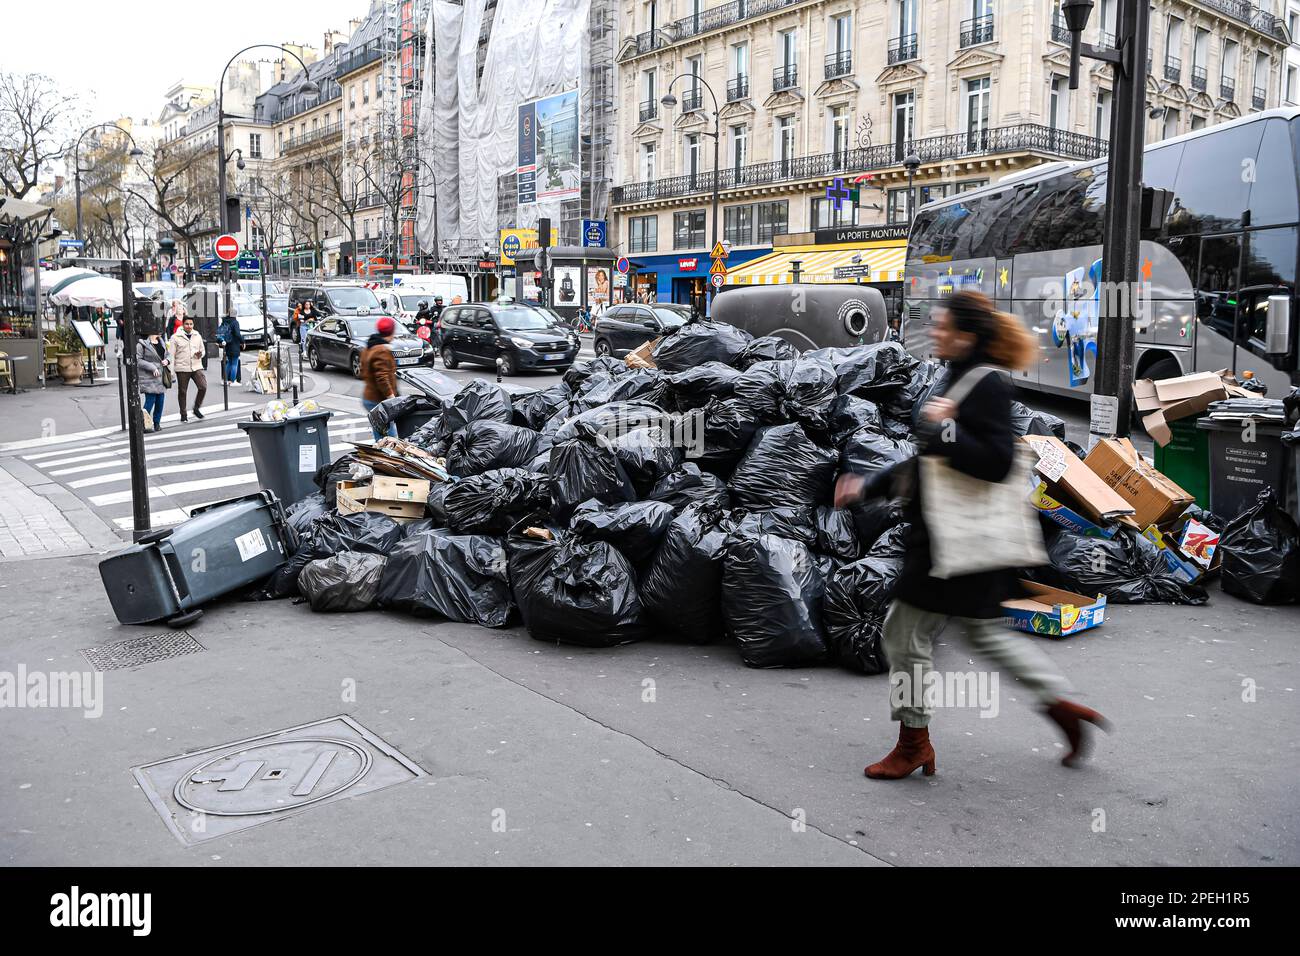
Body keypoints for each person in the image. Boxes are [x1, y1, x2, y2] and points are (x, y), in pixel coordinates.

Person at [834, 290, 1108, 779]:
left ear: (965, 335)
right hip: (955, 538)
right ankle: (1061, 707)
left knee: (903, 635)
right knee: (982, 635)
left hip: (953, 542)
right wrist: (870, 486)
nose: (935, 331)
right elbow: (928, 463)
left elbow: (997, 461)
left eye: (942, 326)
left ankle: (913, 742)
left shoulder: (985, 385)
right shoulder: (958, 377)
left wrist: (944, 431)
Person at [361, 315, 399, 441]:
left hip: (370, 397)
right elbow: (382, 377)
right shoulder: (382, 350)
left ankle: (382, 454)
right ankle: (387, 458)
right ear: (391, 332)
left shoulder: (370, 346)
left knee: (381, 432)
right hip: (379, 399)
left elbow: (364, 372)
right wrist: (391, 398)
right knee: (389, 437)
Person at [167, 315, 207, 422]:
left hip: (196, 366)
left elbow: (203, 350)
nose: (189, 326)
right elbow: (171, 355)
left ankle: (196, 408)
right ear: (183, 324)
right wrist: (171, 372)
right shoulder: (175, 337)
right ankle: (183, 414)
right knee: (183, 392)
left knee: (203, 386)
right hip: (182, 368)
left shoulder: (197, 335)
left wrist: (200, 354)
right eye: (187, 324)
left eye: (191, 324)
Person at [137, 332, 169, 431]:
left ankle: (157, 423)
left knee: (160, 401)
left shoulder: (161, 342)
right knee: (150, 401)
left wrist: (167, 360)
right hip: (149, 377)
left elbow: (168, 354)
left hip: (160, 376)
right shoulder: (142, 344)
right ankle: (144, 424)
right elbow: (138, 360)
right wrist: (152, 367)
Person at [216, 312, 243, 385]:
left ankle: (225, 380)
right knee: (234, 363)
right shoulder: (235, 322)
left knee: (229, 363)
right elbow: (237, 334)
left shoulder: (224, 321)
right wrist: (243, 341)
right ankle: (232, 381)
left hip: (227, 344)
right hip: (234, 344)